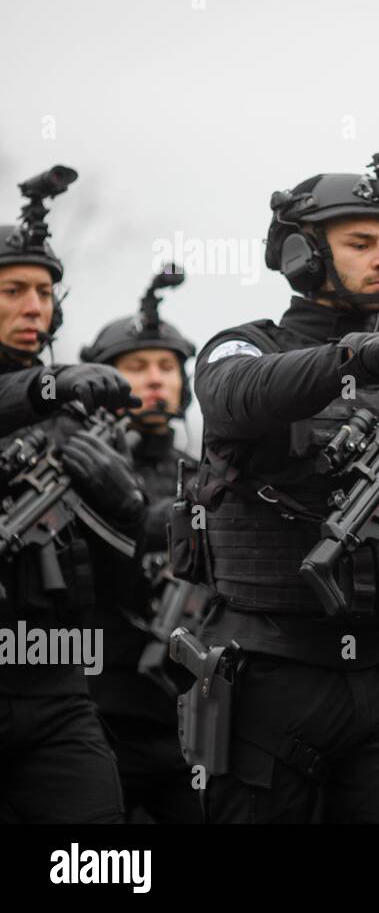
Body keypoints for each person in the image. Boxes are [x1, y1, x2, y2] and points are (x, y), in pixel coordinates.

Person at [191, 148, 379, 823]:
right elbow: (235, 396)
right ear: (303, 255)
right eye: (361, 243)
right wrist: (353, 355)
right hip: (268, 673)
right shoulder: (244, 347)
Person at [0, 167, 143, 823]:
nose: (36, 308)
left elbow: (126, 601)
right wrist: (45, 388)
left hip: (58, 684)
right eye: (14, 291)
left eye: (45, 292)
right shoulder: (48, 393)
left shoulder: (73, 416)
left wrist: (125, 508)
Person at [79, 266, 205, 822]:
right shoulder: (75, 470)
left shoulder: (205, 475)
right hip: (97, 715)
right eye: (135, 367)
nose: (154, 379)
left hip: (193, 721)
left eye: (165, 366)